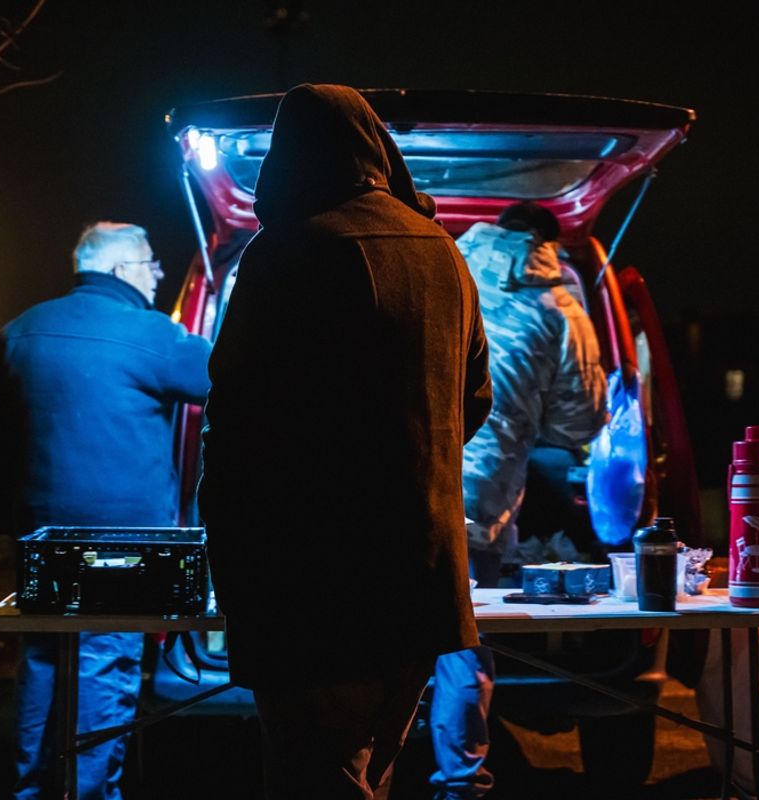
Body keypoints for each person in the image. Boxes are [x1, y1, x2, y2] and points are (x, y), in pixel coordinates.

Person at [196, 83, 492, 800]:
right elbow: (474, 401)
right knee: (368, 773)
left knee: (317, 777)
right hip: (423, 582)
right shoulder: (442, 252)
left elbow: (237, 424)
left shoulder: (290, 250)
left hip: (312, 585)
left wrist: (229, 556)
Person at [0, 221, 211, 800]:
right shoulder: (151, 333)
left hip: (40, 536)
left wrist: (12, 518)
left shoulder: (20, 331)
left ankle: (31, 790)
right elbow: (230, 376)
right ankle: (91, 793)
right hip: (127, 543)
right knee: (107, 661)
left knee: (45, 657)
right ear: (122, 269)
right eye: (151, 264)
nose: (157, 275)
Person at [429, 201, 608, 800]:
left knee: (378, 640)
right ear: (547, 243)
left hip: (398, 482)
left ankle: (363, 771)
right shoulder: (560, 306)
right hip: (477, 499)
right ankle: (462, 784)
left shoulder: (440, 264)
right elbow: (580, 423)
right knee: (460, 647)